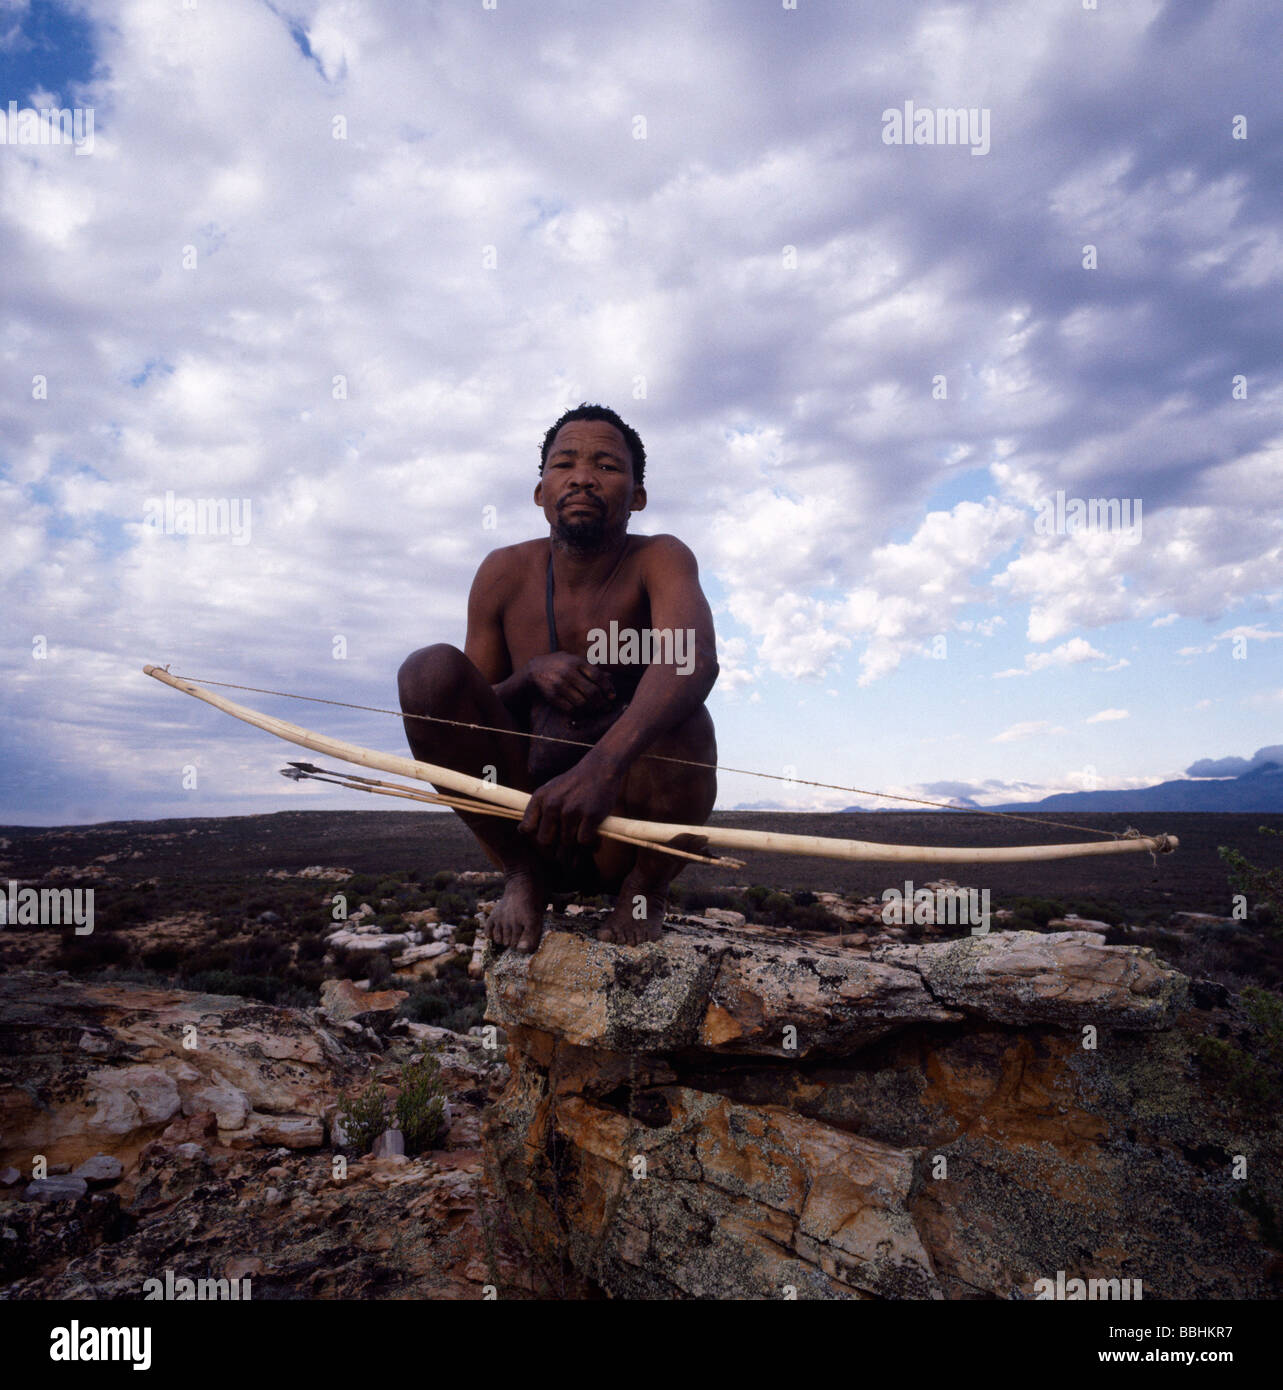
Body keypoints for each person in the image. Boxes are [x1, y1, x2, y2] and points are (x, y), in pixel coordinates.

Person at [398, 404, 719, 953]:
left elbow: (693, 659)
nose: (582, 477)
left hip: (625, 831)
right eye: (563, 463)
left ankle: (646, 891)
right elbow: (471, 712)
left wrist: (601, 768)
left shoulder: (660, 557)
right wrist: (528, 677)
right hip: (530, 830)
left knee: (684, 710)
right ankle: (524, 879)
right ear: (540, 491)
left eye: (607, 466)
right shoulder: (503, 572)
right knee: (428, 671)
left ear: (637, 496)